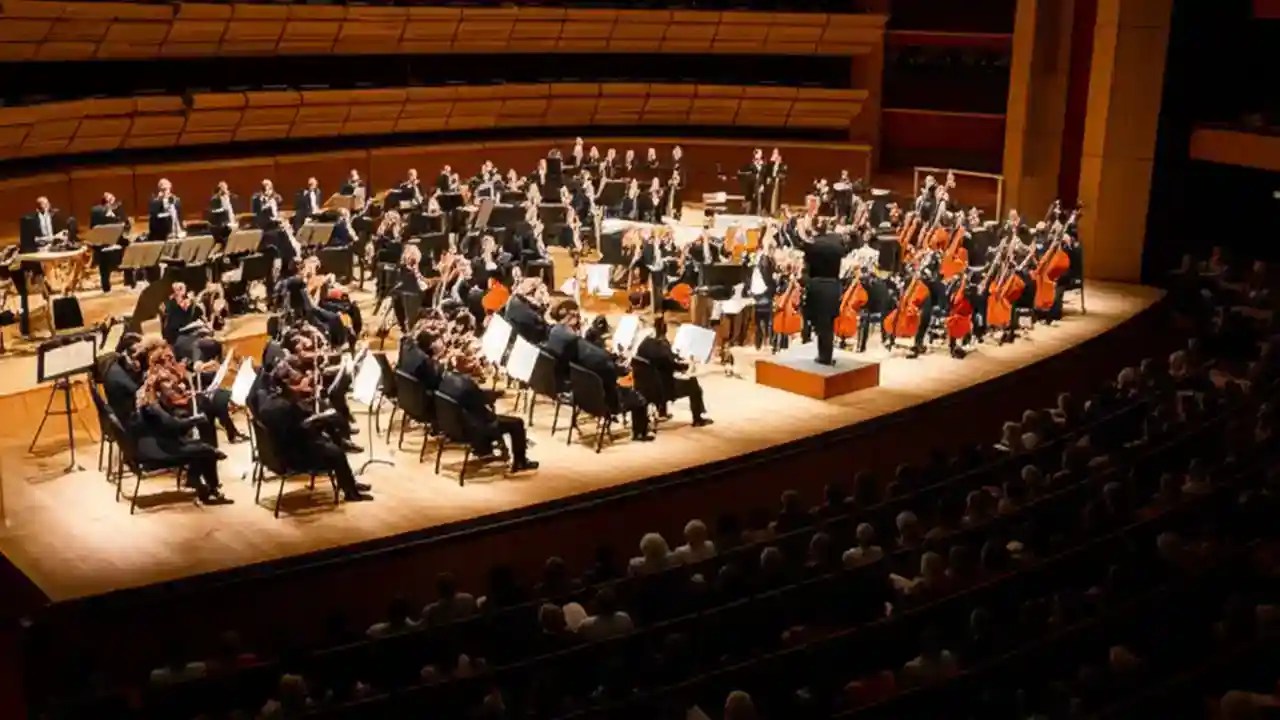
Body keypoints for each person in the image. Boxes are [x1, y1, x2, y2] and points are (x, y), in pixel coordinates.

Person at [255, 359, 373, 503]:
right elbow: (301, 431)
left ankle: (349, 482)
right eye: (292, 382)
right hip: (292, 457)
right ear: (284, 384)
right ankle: (351, 492)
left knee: (330, 433)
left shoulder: (267, 401)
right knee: (336, 453)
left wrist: (316, 420)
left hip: (278, 451)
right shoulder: (286, 407)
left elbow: (296, 426)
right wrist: (317, 420)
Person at [437, 362, 539, 472]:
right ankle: (520, 462)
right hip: (471, 430)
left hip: (452, 427)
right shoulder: (467, 385)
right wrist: (497, 394)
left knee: (481, 417)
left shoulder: (446, 380)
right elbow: (482, 401)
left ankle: (482, 449)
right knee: (517, 423)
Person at [576, 318, 652, 441]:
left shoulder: (583, 354)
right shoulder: (603, 359)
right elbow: (618, 374)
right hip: (608, 401)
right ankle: (639, 434)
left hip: (584, 398)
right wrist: (622, 365)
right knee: (640, 400)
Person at [634, 315, 711, 426]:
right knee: (693, 385)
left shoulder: (644, 344)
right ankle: (697, 419)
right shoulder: (662, 345)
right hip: (663, 390)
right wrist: (685, 365)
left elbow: (665, 360)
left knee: (660, 375)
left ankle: (662, 411)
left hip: (645, 387)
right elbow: (671, 364)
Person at [800, 223, 848, 365]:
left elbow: (806, 268)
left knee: (820, 326)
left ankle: (823, 356)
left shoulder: (813, 246)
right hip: (834, 287)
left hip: (817, 287)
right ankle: (826, 355)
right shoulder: (837, 247)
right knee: (829, 325)